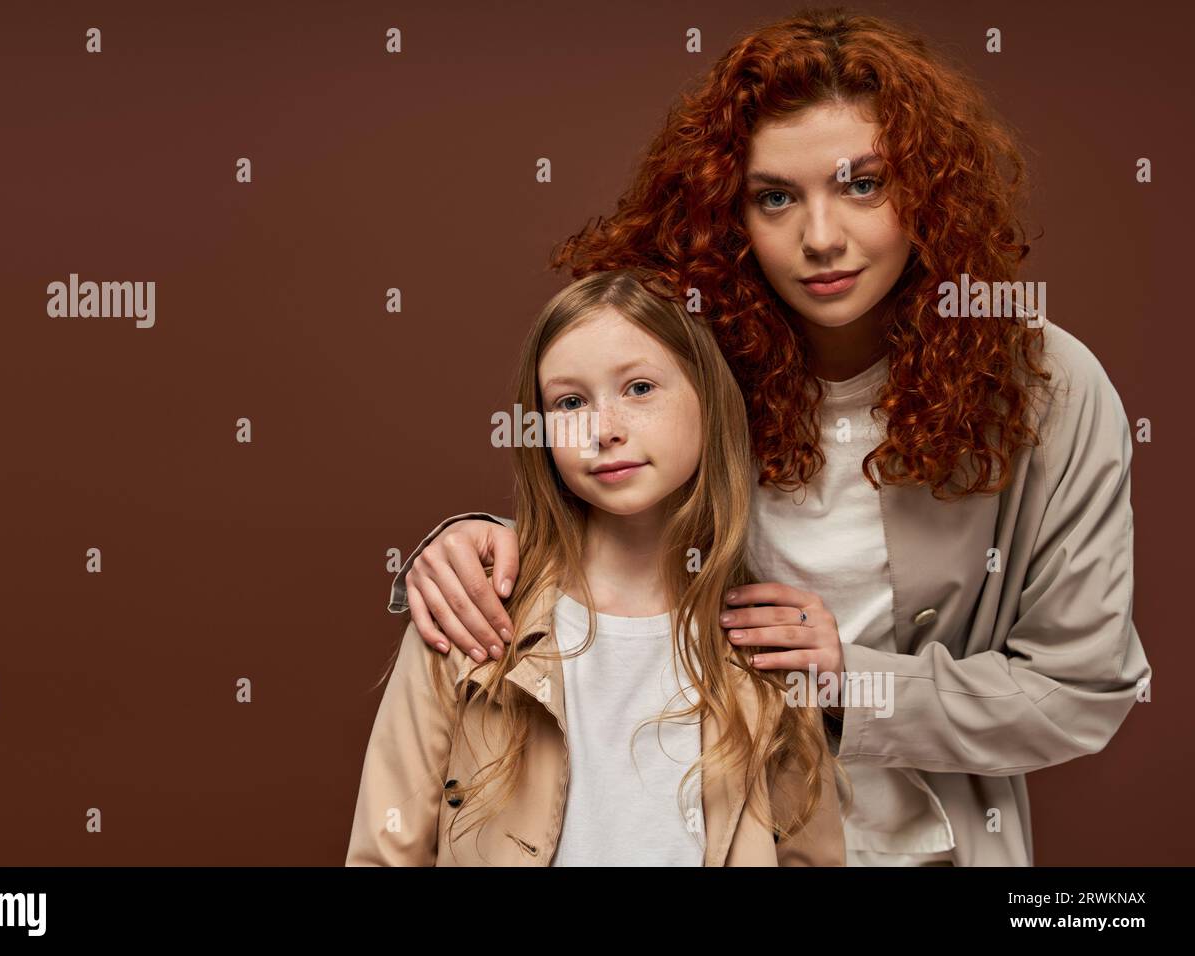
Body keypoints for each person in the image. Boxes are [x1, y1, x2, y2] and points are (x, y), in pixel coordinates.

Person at [381, 8, 1150, 866]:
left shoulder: (1044, 389)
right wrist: (482, 547)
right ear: (728, 209)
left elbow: (1082, 690)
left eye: (863, 184)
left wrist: (850, 684)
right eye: (776, 197)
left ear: (929, 192)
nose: (821, 238)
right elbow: (600, 522)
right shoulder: (689, 353)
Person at [348, 271, 845, 866]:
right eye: (570, 402)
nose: (604, 430)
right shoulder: (470, 613)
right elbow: (384, 851)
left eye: (639, 388)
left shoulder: (767, 642)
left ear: (708, 400)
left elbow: (808, 856)